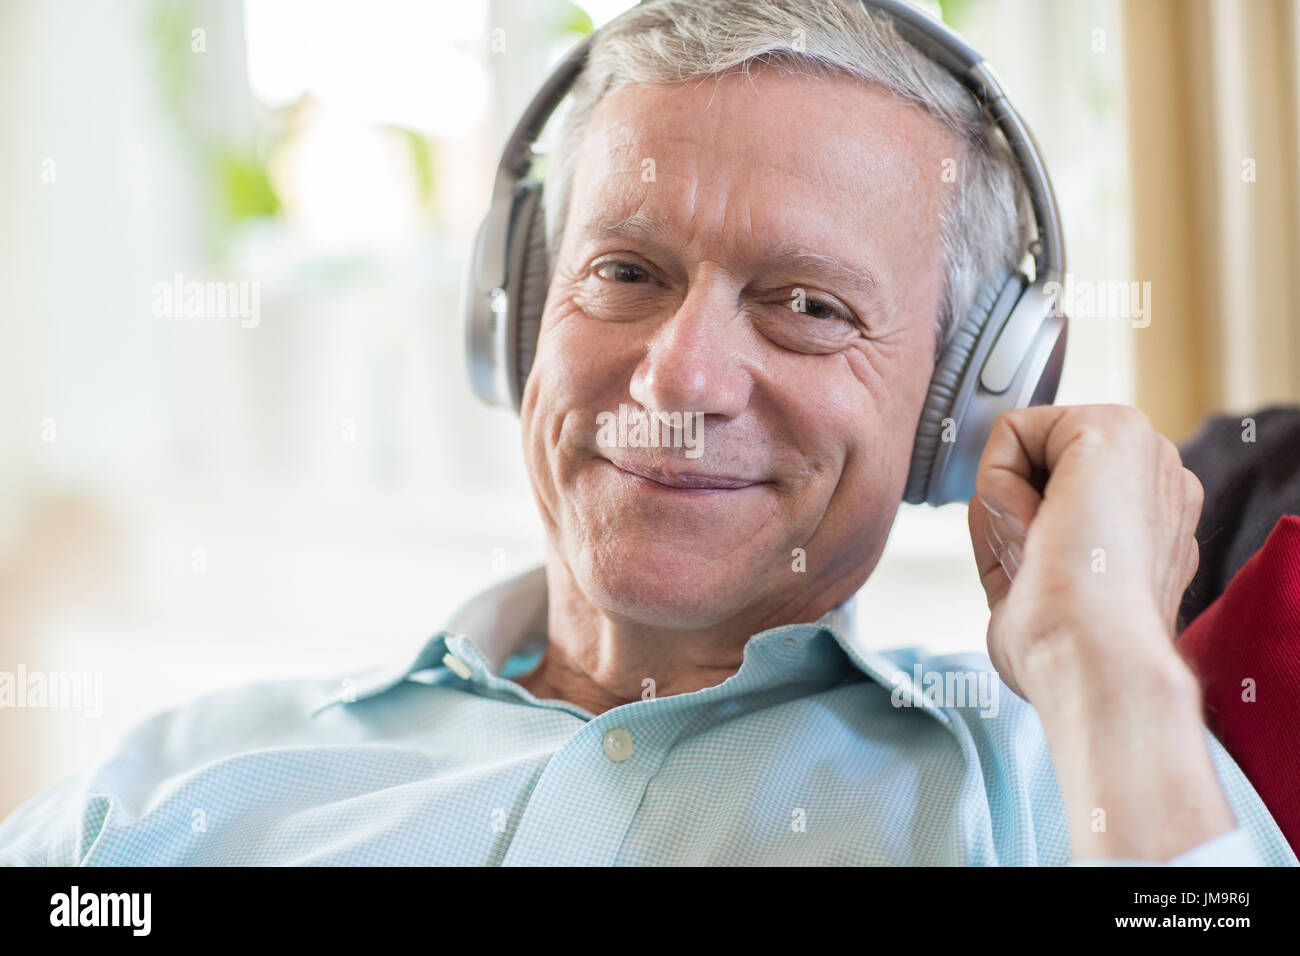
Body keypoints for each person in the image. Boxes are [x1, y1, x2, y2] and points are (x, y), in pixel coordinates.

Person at [1, 0, 1292, 866]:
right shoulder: (164, 791)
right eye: (626, 273)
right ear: (516, 320)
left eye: (806, 305)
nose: (681, 374)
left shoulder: (1075, 794)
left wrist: (1107, 663)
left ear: (964, 404)